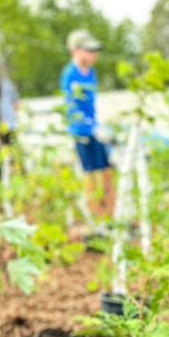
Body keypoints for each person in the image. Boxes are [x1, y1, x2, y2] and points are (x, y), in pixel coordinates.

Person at [60, 29, 114, 219]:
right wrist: (90, 126)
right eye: (88, 50)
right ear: (75, 51)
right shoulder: (70, 75)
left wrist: (97, 126)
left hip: (95, 130)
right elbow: (71, 108)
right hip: (81, 132)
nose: (93, 55)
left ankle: (110, 212)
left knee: (106, 171)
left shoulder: (91, 72)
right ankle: (97, 217)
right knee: (89, 174)